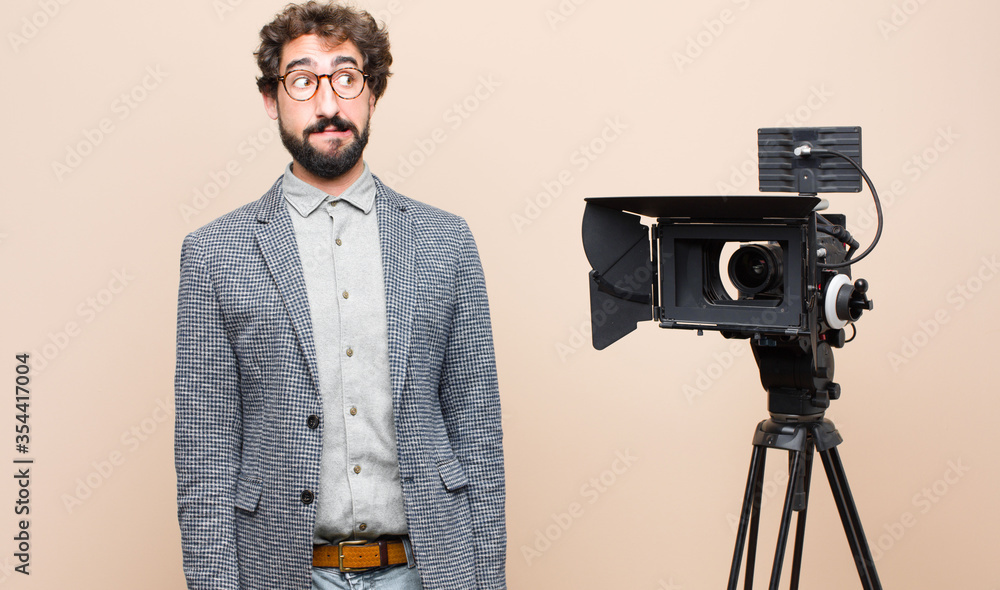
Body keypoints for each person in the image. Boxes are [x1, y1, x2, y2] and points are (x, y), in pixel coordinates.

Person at [173, 2, 506, 589]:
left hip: (426, 571)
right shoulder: (214, 253)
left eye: (346, 78)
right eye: (302, 80)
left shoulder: (445, 241)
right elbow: (205, 455)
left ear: (372, 93)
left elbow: (477, 432)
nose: (328, 105)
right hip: (279, 571)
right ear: (271, 100)